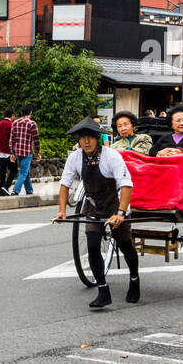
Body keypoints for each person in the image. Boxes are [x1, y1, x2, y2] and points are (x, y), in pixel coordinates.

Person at [54, 118, 141, 309]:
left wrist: (120, 213)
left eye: (90, 138)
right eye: (82, 138)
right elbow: (65, 184)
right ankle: (103, 291)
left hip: (115, 204)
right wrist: (62, 211)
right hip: (93, 206)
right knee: (93, 245)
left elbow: (126, 185)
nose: (86, 142)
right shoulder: (75, 157)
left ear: (97, 138)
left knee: (125, 244)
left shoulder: (112, 156)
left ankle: (134, 280)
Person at [9, 104, 40, 195]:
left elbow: (12, 139)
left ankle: (29, 190)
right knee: (23, 172)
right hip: (27, 152)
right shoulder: (32, 123)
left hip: (17, 151)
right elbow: (36, 139)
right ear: (30, 113)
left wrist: (12, 152)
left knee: (26, 171)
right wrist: (38, 152)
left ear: (22, 112)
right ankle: (16, 190)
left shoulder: (15, 123)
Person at [0, 107, 15, 195]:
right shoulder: (11, 125)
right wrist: (13, 152)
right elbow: (13, 139)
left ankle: (1, 190)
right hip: (8, 152)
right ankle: (5, 186)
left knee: (2, 172)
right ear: (12, 115)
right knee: (13, 170)